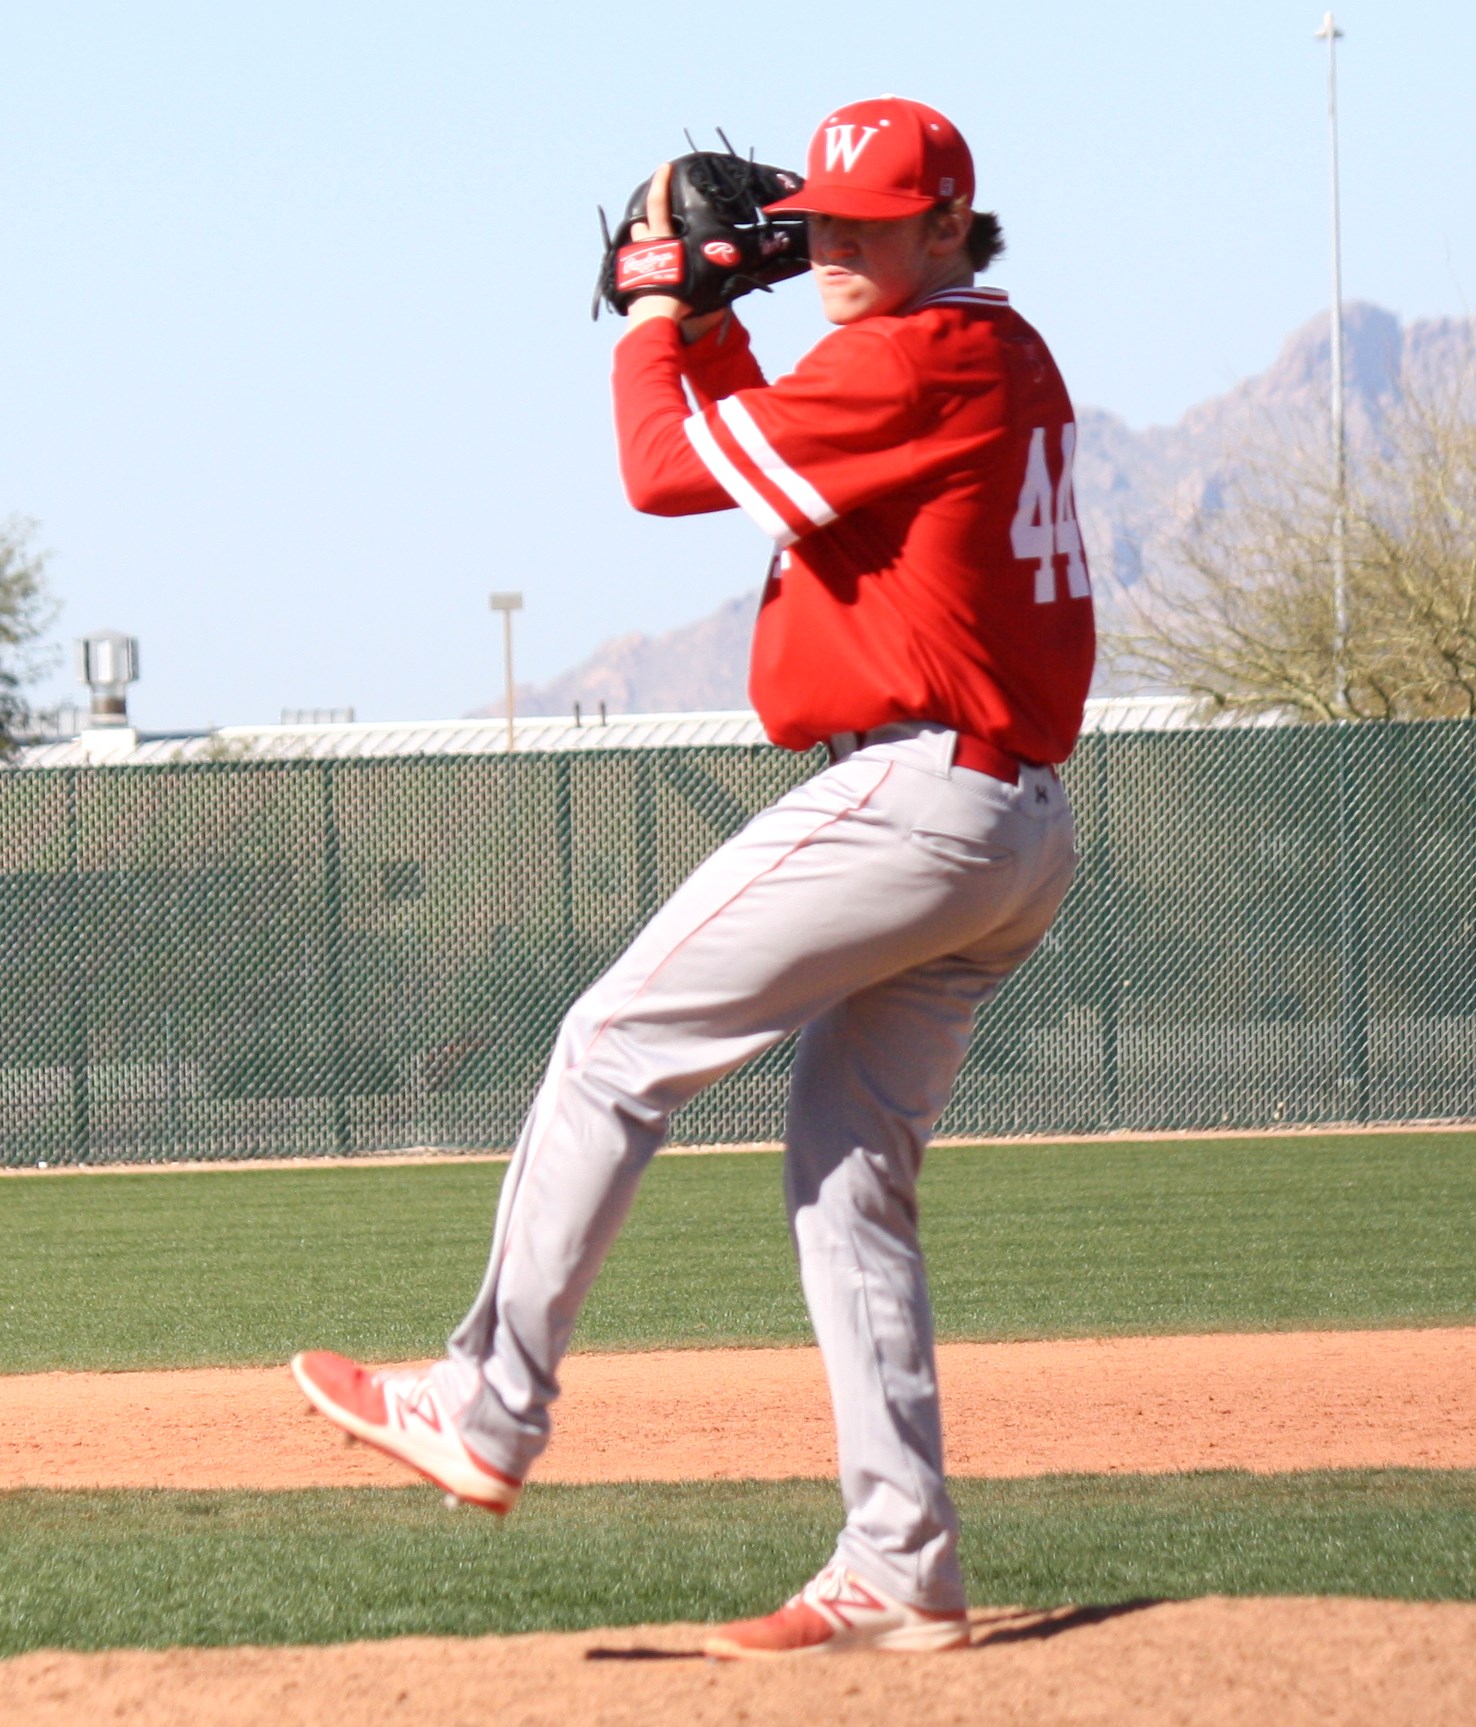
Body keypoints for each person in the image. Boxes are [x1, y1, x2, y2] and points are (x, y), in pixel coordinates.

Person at [293, 94, 1095, 1658]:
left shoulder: (915, 355)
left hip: (919, 802)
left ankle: (485, 1403)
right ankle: (900, 1566)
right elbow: (771, 455)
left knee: (611, 1042)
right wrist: (720, 320)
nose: (839, 247)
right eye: (824, 224)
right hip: (1005, 823)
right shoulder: (971, 349)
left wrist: (661, 309)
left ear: (950, 225)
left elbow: (667, 473)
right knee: (849, 1187)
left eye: (877, 225)